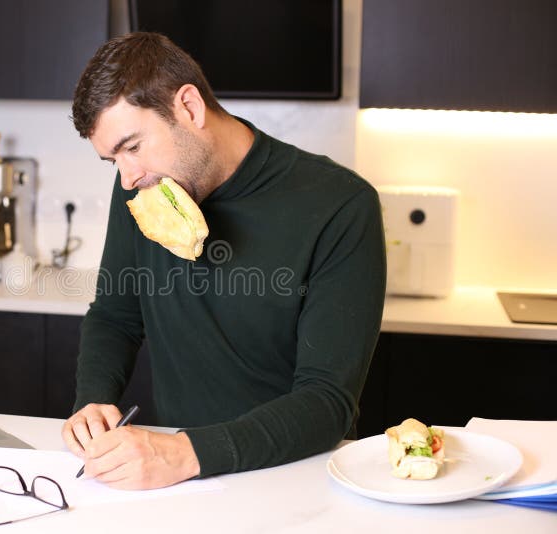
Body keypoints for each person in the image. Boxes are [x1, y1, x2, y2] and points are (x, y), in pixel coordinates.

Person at [61, 32, 386, 490]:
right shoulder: (142, 187)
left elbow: (327, 401)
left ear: (189, 108)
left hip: (295, 478)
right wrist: (93, 401)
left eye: (132, 146)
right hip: (180, 478)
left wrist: (184, 453)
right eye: (112, 159)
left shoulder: (341, 205)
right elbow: (116, 315)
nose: (127, 176)